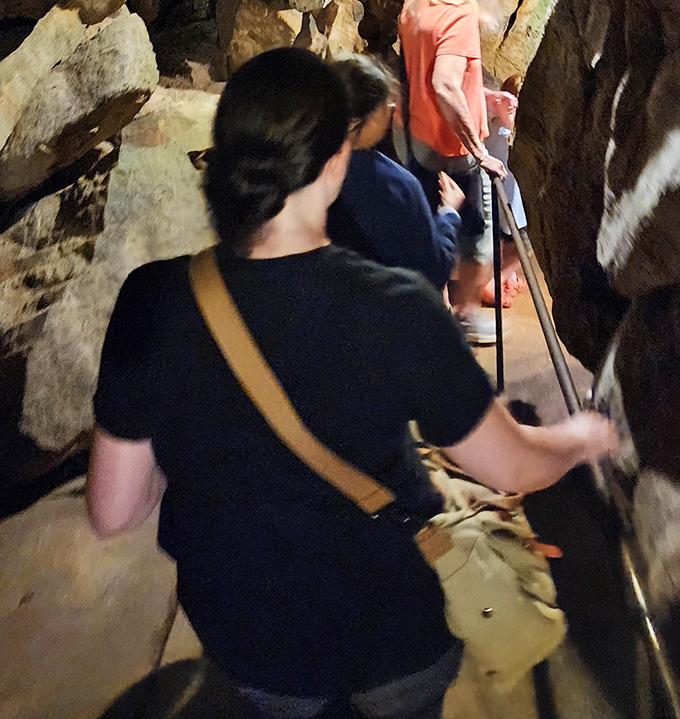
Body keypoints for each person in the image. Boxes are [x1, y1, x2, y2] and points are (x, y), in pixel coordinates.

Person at [87, 47, 618, 719]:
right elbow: (509, 461)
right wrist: (577, 436)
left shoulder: (154, 298)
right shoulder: (396, 305)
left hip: (251, 644)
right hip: (391, 640)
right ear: (336, 160)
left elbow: (113, 510)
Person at [397, 0, 517, 344]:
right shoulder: (459, 16)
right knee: (475, 235)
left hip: (419, 139)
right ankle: (465, 314)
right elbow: (445, 85)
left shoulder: (415, 7)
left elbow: (429, 79)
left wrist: (484, 97)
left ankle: (437, 315)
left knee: (427, 229)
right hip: (454, 149)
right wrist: (480, 151)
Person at [327, 54, 464, 291]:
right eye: (386, 106)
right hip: (377, 315)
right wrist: (449, 214)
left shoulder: (300, 161)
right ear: (368, 117)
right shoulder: (396, 185)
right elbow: (432, 271)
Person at [480, 73, 527, 308]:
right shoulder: (502, 126)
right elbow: (503, 140)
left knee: (506, 240)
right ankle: (491, 284)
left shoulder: (496, 123)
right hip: (504, 194)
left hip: (505, 193)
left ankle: (506, 277)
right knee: (519, 243)